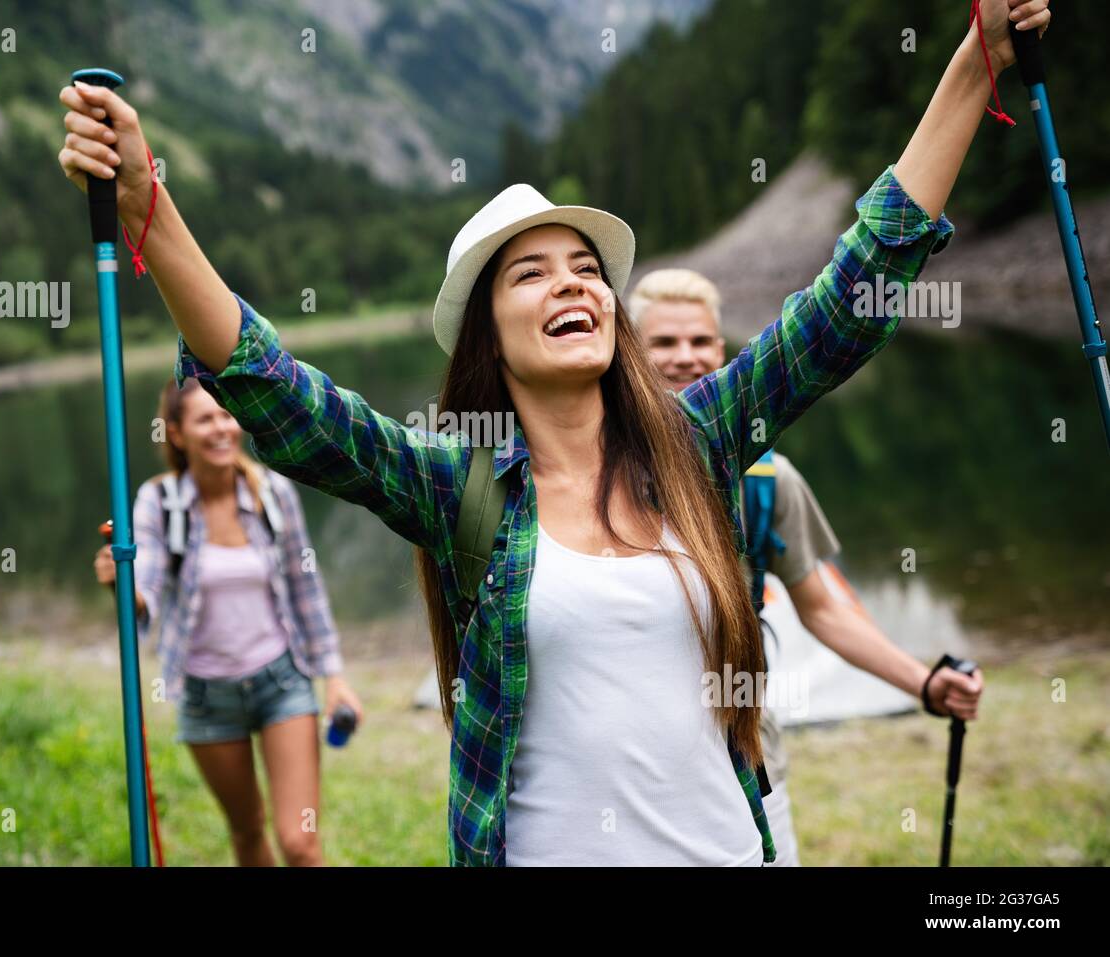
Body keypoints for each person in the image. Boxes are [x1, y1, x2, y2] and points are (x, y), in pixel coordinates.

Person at [59, 0, 1049, 865]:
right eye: (529, 274)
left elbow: (845, 305)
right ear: (489, 336)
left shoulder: (696, 444)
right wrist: (153, 204)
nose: (571, 281)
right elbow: (277, 391)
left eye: (584, 267)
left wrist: (973, 61)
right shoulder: (456, 489)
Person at [629, 267, 987, 866]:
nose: (687, 357)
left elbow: (823, 607)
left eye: (701, 341)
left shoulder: (769, 480)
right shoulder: (582, 475)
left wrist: (922, 684)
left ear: (722, 349)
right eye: (664, 343)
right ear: (632, 355)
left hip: (747, 756)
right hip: (630, 771)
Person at [93, 376, 363, 866]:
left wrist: (335, 678)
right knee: (246, 832)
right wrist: (119, 581)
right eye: (205, 419)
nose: (221, 428)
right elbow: (144, 596)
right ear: (176, 433)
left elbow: (306, 591)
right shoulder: (159, 503)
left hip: (282, 682)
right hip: (205, 696)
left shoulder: (273, 493)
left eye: (227, 414)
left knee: (300, 842)